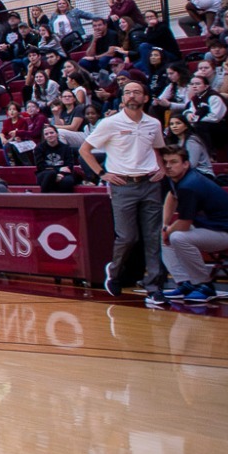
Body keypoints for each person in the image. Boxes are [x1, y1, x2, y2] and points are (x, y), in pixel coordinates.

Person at [80, 79, 167, 297]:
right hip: (122, 185)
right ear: (122, 97)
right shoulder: (111, 123)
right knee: (127, 237)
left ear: (145, 98)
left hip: (150, 183)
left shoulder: (153, 123)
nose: (131, 96)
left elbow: (158, 149)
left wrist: (162, 168)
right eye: (127, 92)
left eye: (136, 92)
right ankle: (115, 271)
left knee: (152, 235)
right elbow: (85, 150)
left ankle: (154, 285)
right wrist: (102, 174)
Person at [150, 144, 228, 304]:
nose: (168, 166)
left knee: (178, 237)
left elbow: (184, 224)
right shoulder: (179, 178)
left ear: (186, 163)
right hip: (211, 228)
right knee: (165, 233)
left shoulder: (190, 185)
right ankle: (185, 282)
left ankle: (204, 285)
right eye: (165, 162)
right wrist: (165, 225)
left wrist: (169, 230)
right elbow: (171, 196)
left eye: (173, 162)